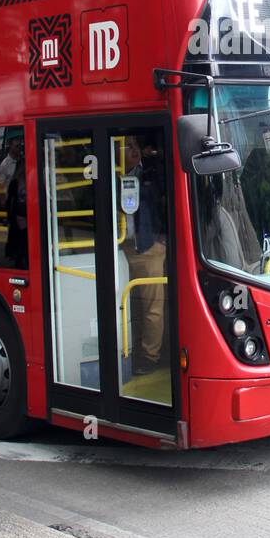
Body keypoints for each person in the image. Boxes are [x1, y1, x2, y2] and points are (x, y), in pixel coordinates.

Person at [121, 137, 167, 375]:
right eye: (127, 146)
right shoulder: (108, 174)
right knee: (128, 306)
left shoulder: (151, 171)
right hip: (120, 249)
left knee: (153, 307)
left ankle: (150, 356)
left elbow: (167, 202)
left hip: (148, 247)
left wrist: (162, 238)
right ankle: (128, 353)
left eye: (135, 145)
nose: (134, 150)